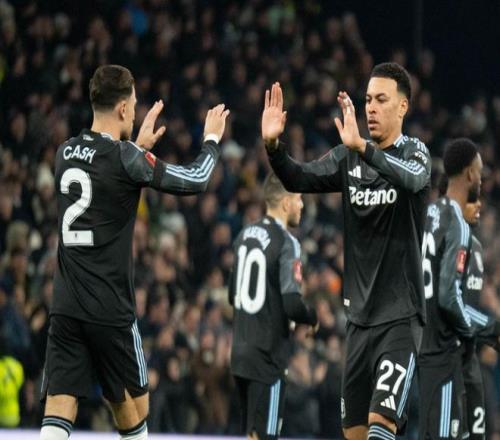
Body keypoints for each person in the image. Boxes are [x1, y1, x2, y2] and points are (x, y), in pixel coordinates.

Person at [39, 64, 229, 440]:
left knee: (59, 406)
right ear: (124, 108)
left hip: (66, 305)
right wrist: (211, 139)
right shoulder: (126, 158)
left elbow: (103, 178)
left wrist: (137, 150)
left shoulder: (64, 153)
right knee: (135, 412)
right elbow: (196, 179)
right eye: (135, 104)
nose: (136, 112)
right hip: (110, 309)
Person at [261, 63, 431, 440]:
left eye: (381, 100)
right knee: (354, 433)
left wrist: (364, 149)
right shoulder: (347, 157)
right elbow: (298, 176)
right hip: (358, 322)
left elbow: (414, 180)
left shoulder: (414, 152)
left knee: (382, 422)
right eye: (368, 99)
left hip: (400, 318)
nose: (371, 108)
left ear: (403, 107)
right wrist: (274, 147)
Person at [418, 139, 500, 440]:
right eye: (479, 171)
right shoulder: (456, 222)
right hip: (443, 349)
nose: (481, 179)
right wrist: (484, 329)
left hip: (423, 343)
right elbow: (448, 296)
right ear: (469, 174)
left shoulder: (429, 214)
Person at [229, 173, 318, 440]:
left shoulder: (244, 235)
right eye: (299, 199)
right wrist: (311, 317)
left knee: (252, 434)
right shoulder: (287, 242)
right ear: (286, 202)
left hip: (240, 354)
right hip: (268, 358)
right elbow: (292, 303)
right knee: (266, 436)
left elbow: (233, 294)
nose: (301, 205)